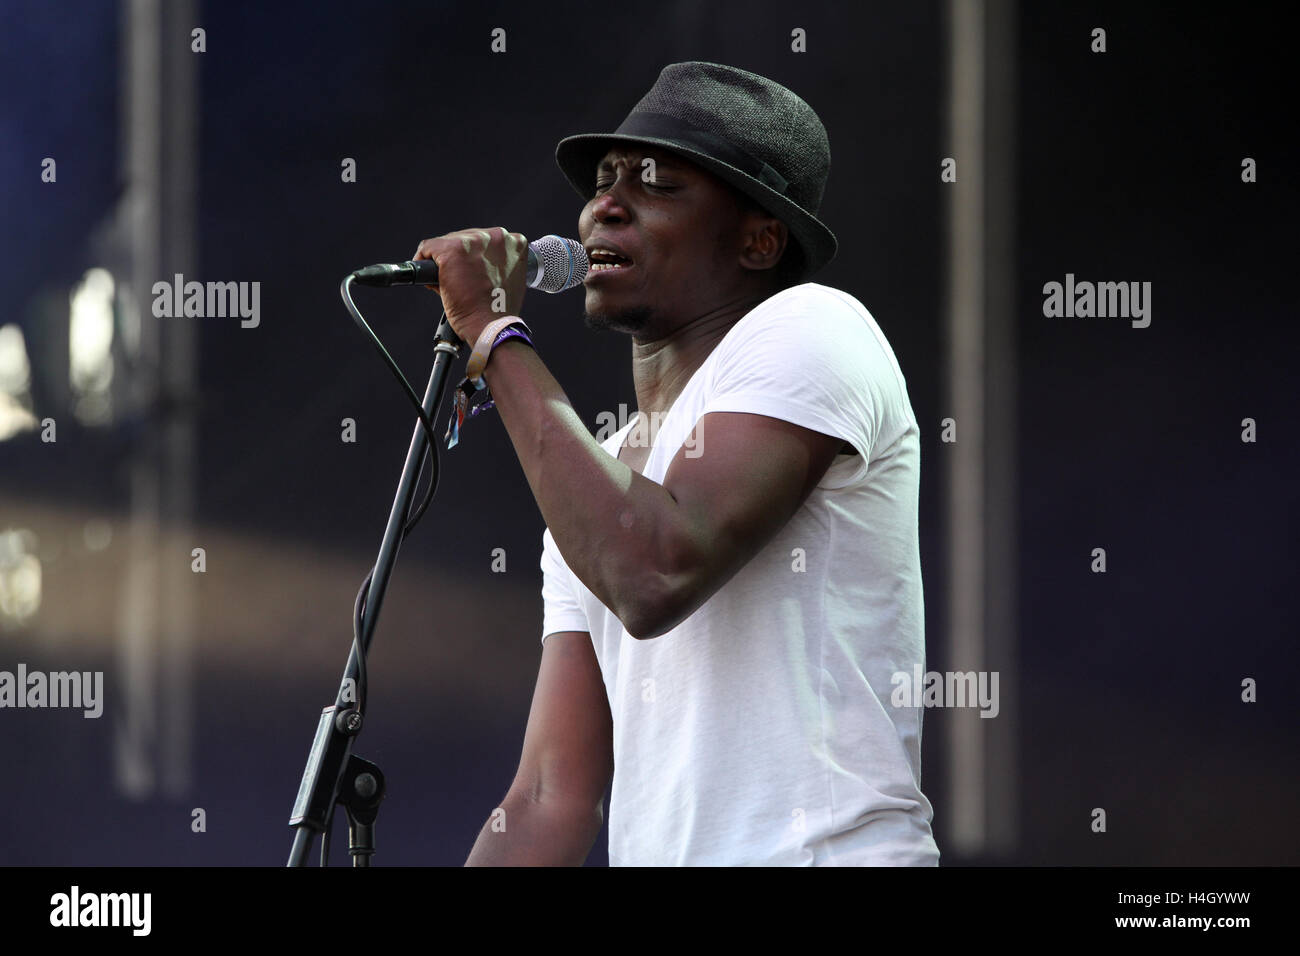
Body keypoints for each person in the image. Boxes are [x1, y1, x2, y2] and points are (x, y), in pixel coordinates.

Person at [413, 61, 938, 866]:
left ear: (760, 239)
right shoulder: (600, 482)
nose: (605, 204)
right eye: (605, 180)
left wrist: (495, 335)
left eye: (656, 184)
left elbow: (655, 569)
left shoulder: (816, 327)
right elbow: (551, 795)